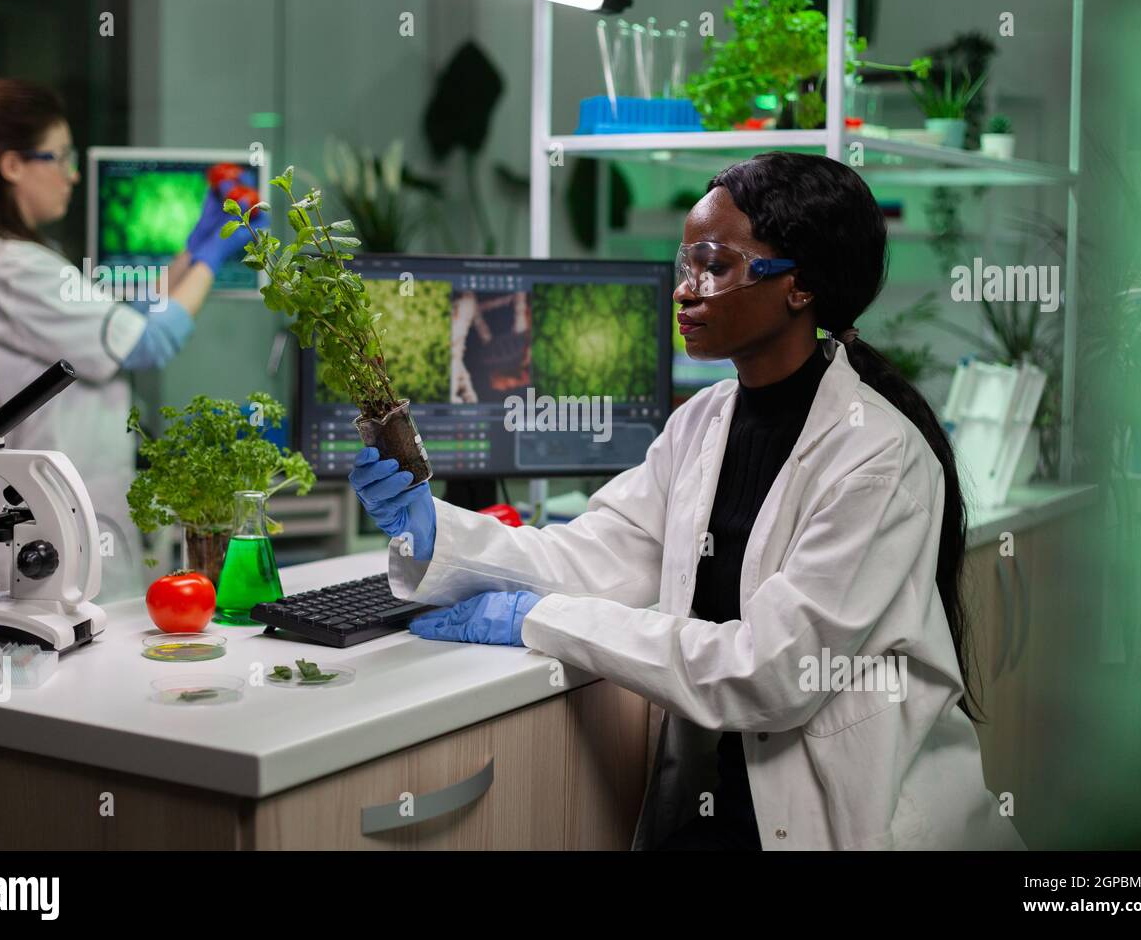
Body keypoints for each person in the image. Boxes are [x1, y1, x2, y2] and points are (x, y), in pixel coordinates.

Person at [349, 151, 1025, 851]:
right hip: (712, 804)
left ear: (800, 287)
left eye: (715, 266)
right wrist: (435, 534)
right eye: (685, 266)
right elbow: (594, 555)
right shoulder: (702, 421)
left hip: (843, 817)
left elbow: (770, 674)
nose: (685, 290)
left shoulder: (877, 456)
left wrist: (538, 618)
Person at [0, 78, 260, 601]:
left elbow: (124, 321)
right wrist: (215, 258)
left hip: (62, 506)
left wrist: (195, 249)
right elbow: (148, 343)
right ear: (12, 165)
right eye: (59, 157)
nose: (73, 174)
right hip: (51, 517)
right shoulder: (14, 267)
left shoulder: (5, 256)